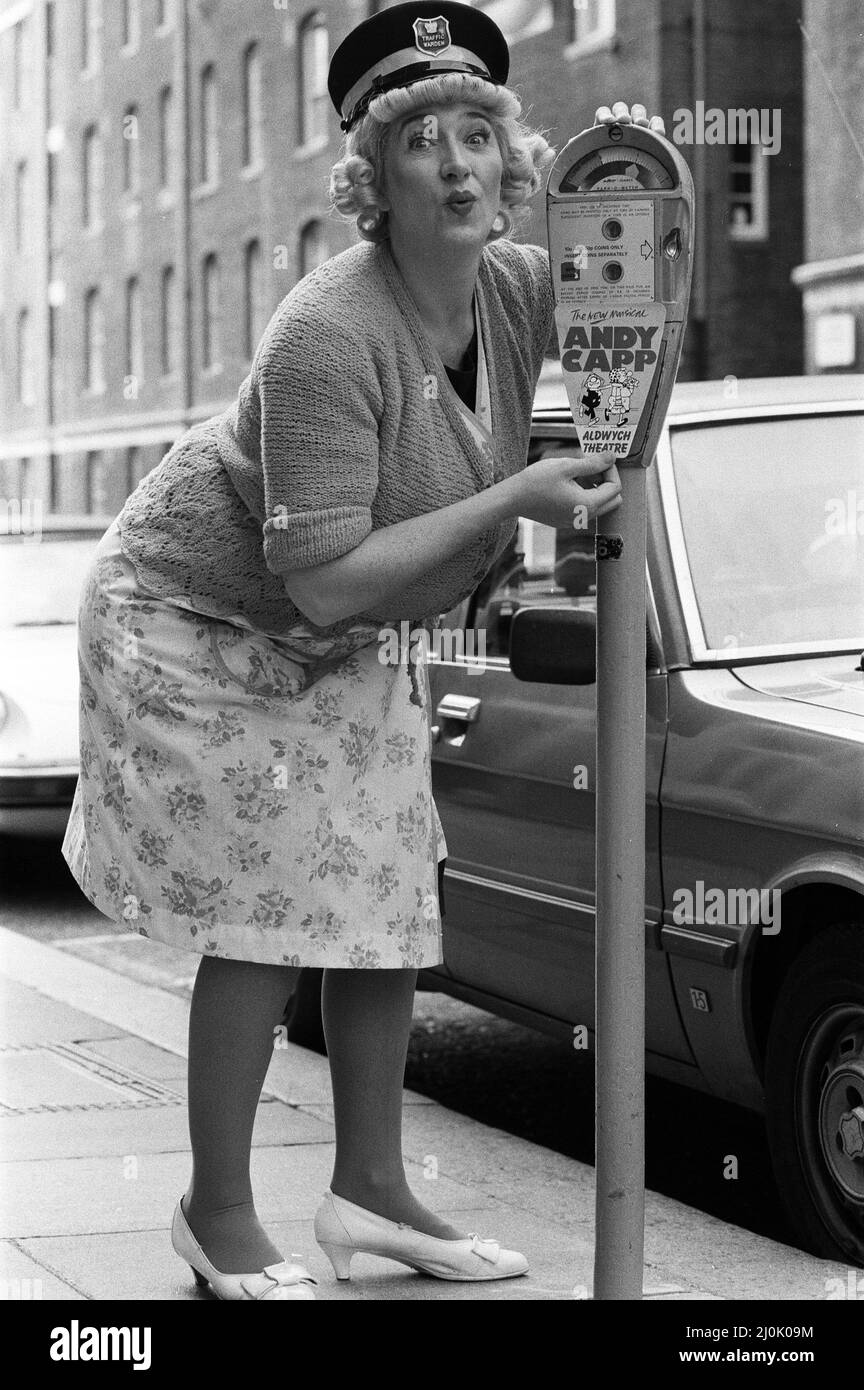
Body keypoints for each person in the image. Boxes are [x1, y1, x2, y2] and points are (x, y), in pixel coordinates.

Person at [61, 0, 665, 1299]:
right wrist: (515, 503)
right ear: (373, 181)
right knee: (273, 905)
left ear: (507, 163)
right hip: (193, 618)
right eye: (420, 141)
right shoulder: (328, 333)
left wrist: (633, 192)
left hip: (334, 618)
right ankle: (216, 1213)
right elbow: (324, 580)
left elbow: (620, 325)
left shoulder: (511, 290)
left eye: (478, 135)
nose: (456, 162)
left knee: (386, 889)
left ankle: (370, 1194)